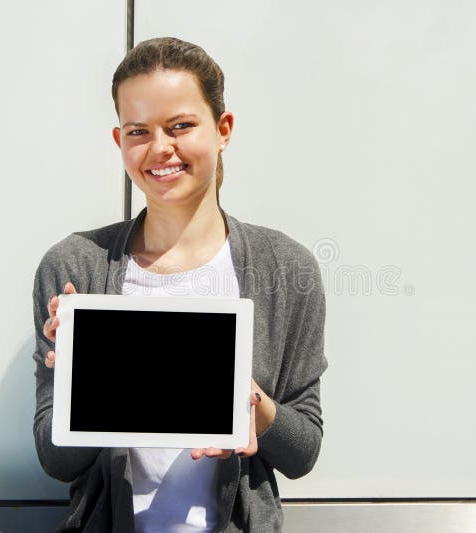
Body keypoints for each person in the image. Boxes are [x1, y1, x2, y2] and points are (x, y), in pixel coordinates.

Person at [33, 37, 327, 533]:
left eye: (181, 126)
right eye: (138, 131)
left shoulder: (285, 269)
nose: (160, 148)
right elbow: (54, 459)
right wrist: (81, 384)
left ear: (223, 129)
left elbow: (304, 450)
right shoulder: (74, 267)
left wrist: (254, 410)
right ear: (119, 141)